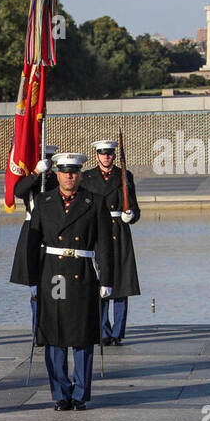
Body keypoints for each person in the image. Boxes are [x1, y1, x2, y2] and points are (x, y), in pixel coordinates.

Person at [25, 153, 114, 411]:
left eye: (74, 171)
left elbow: (105, 245)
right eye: (64, 171)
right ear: (57, 174)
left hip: (83, 273)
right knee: (54, 334)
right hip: (53, 274)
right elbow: (32, 244)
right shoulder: (44, 201)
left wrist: (106, 279)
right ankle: (61, 393)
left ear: (80, 174)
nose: (69, 176)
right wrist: (32, 279)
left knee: (82, 336)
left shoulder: (95, 202)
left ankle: (81, 393)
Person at [81, 139, 140, 346]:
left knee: (122, 283)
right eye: (102, 153)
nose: (106, 157)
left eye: (109, 154)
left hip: (119, 232)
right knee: (101, 281)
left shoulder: (124, 175)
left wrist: (130, 215)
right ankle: (103, 331)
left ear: (114, 155)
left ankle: (118, 332)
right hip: (99, 231)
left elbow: (135, 208)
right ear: (97, 155)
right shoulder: (87, 178)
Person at [9, 145, 58, 337]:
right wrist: (37, 172)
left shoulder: (55, 180)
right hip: (33, 231)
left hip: (53, 232)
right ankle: (37, 329)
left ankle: (51, 328)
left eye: (48, 159)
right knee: (34, 284)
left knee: (53, 281)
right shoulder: (30, 179)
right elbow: (18, 191)